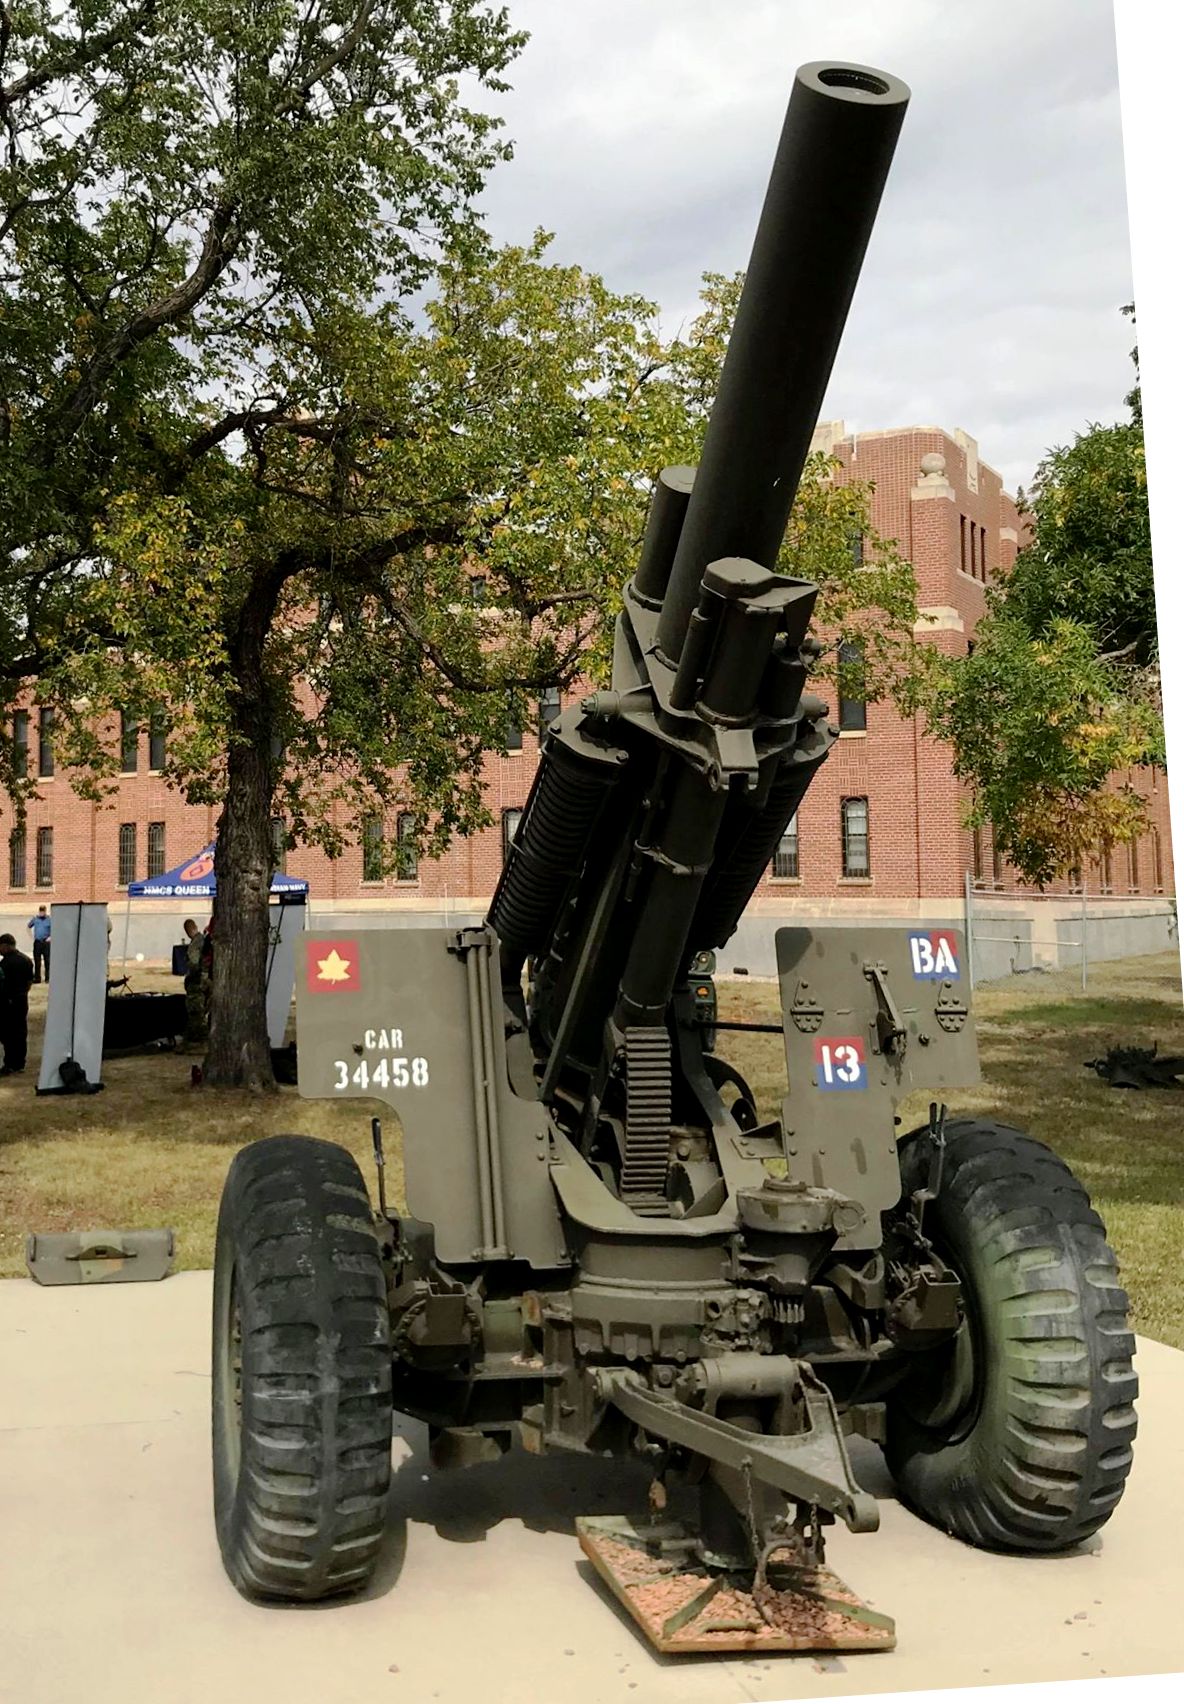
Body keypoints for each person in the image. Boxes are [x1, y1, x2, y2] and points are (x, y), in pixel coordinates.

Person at [0, 933, 35, 1076]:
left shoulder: (4, 964)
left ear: (6, 946)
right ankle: (20, 1062)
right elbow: (29, 982)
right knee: (20, 1032)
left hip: (7, 1002)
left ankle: (9, 1063)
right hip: (21, 1000)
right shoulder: (26, 960)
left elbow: (2, 985)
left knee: (7, 1033)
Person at [182, 918, 209, 1048]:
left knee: (196, 1012)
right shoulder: (204, 940)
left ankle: (201, 1041)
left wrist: (190, 976)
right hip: (205, 980)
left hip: (196, 982)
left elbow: (193, 963)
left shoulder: (195, 944)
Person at [26, 905, 51, 983]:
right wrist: (31, 936)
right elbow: (28, 927)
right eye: (41, 911)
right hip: (37, 942)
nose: (42, 913)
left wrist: (50, 937)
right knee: (37, 961)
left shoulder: (49, 920)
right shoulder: (35, 919)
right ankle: (37, 978)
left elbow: (55, 929)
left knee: (47, 961)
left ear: (45, 911)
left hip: (46, 942)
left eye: (43, 911)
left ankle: (47, 978)